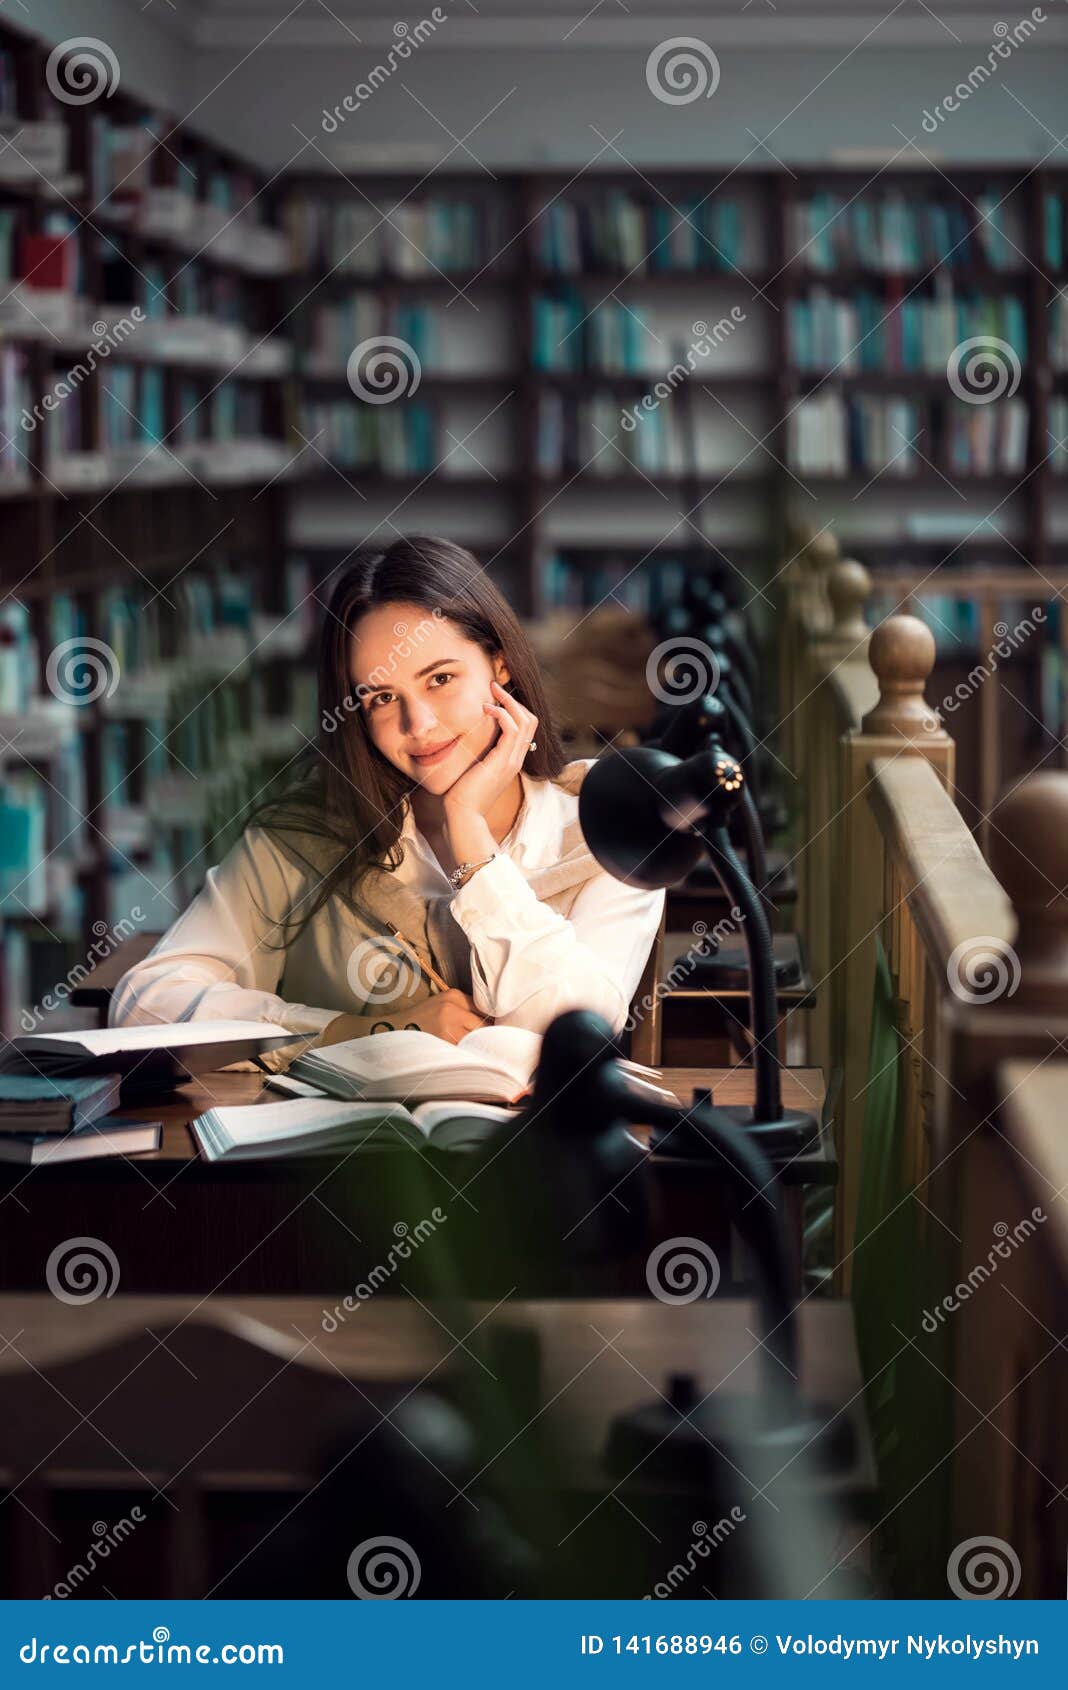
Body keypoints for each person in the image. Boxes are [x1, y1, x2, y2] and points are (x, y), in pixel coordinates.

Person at [109, 535, 665, 1066]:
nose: (417, 725)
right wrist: (357, 1033)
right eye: (380, 697)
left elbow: (576, 1032)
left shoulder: (609, 832)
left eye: (440, 679)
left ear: (500, 664)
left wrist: (471, 840)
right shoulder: (306, 837)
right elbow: (144, 1008)